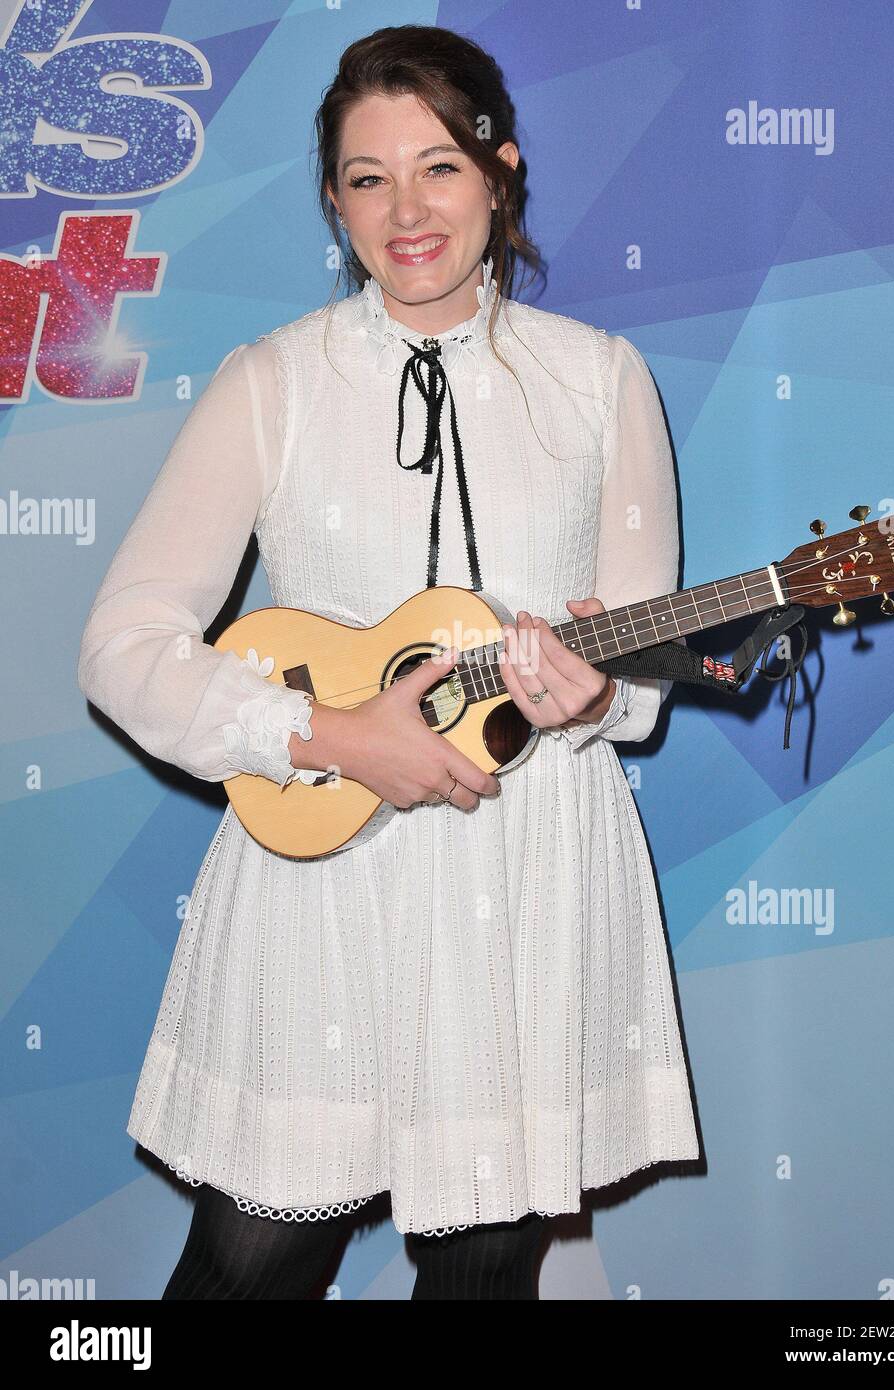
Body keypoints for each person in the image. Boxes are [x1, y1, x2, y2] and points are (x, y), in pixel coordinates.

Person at [77, 23, 699, 1300]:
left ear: (500, 171)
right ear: (333, 202)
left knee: (481, 1280)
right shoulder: (275, 384)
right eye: (367, 178)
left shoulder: (598, 381)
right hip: (321, 875)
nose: (406, 211)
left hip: (525, 879)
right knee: (247, 1266)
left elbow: (637, 674)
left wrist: (593, 696)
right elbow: (123, 646)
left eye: (439, 168)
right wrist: (326, 735)